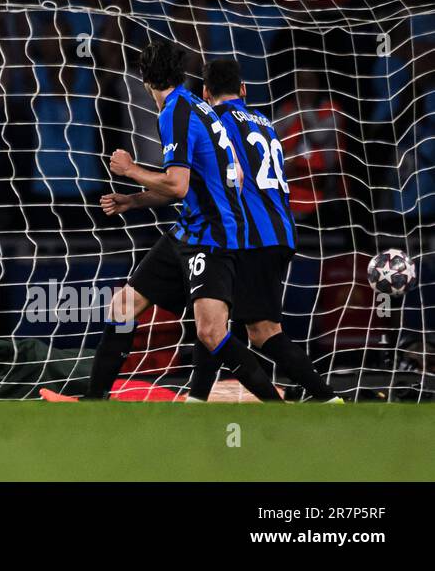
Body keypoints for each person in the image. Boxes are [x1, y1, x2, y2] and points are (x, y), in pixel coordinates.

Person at [86, 39, 280, 402]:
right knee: (124, 306)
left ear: (144, 79)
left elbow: (177, 185)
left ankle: (275, 404)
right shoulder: (194, 105)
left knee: (211, 333)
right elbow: (188, 182)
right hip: (190, 227)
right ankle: (93, 402)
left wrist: (130, 171)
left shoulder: (175, 112)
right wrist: (134, 200)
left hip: (212, 233)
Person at [199, 59, 340, 401]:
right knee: (211, 317)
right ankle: (197, 398)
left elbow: (223, 176)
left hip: (249, 236)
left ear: (205, 93)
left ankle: (326, 398)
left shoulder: (215, 122)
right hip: (280, 230)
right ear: (243, 90)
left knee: (260, 331)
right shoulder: (266, 121)